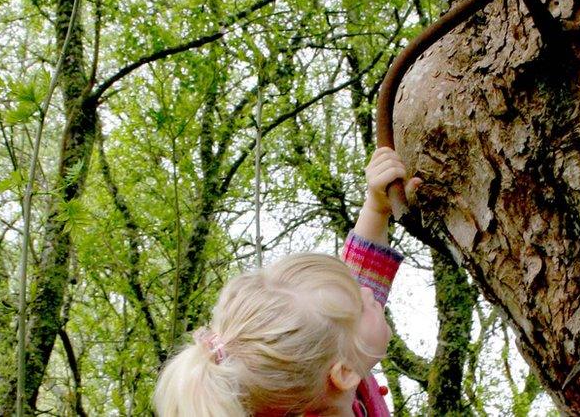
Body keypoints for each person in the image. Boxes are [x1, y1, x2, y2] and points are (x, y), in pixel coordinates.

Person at [153, 147, 421, 416]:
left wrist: (376, 207)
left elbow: (359, 275)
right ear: (344, 372)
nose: (365, 290)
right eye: (359, 306)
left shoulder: (324, 376)